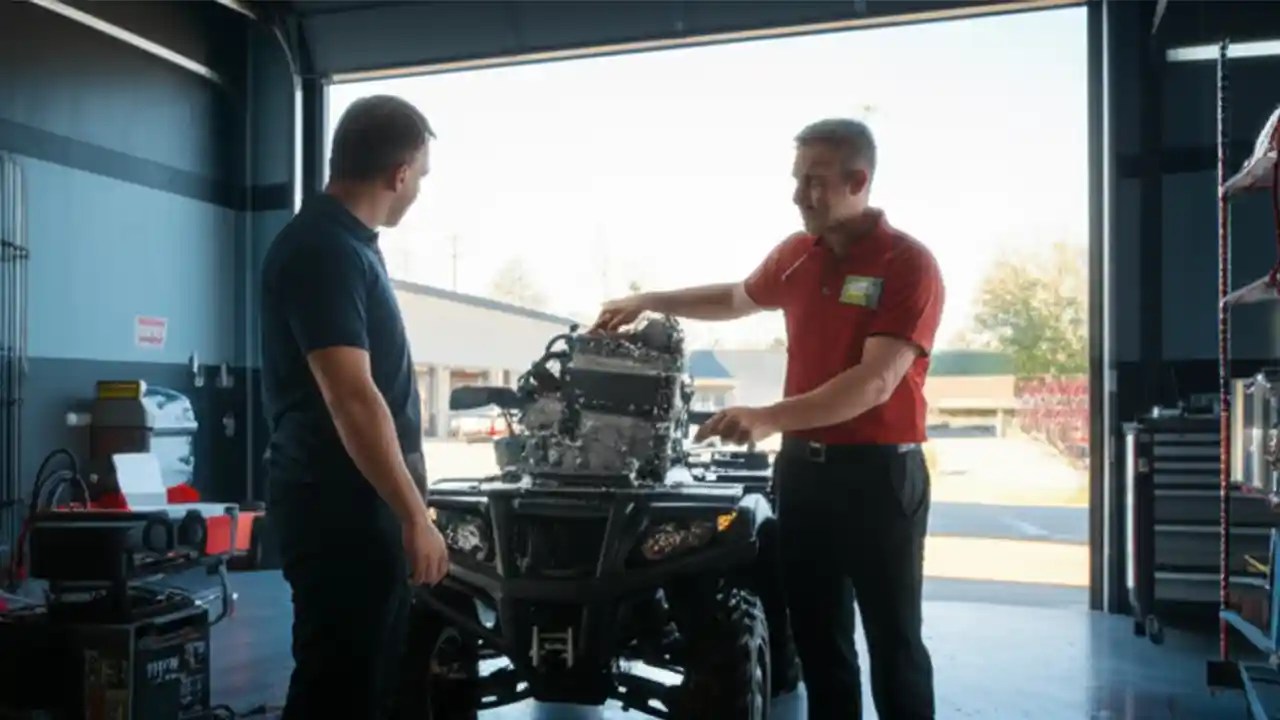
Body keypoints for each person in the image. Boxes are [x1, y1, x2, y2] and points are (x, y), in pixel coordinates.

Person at [591, 118, 943, 719]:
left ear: (859, 181)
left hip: (880, 479)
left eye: (816, 181)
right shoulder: (795, 255)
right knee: (818, 641)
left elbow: (875, 381)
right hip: (805, 474)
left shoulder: (907, 263)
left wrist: (768, 416)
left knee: (894, 644)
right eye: (797, 179)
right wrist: (647, 299)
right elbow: (733, 298)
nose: (799, 195)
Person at [259, 94, 450, 720]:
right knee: (340, 687)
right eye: (420, 175)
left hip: (357, 506)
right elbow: (352, 398)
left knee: (370, 683)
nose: (419, 188)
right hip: (339, 508)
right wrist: (413, 515)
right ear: (399, 174)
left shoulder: (348, 243)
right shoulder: (324, 249)